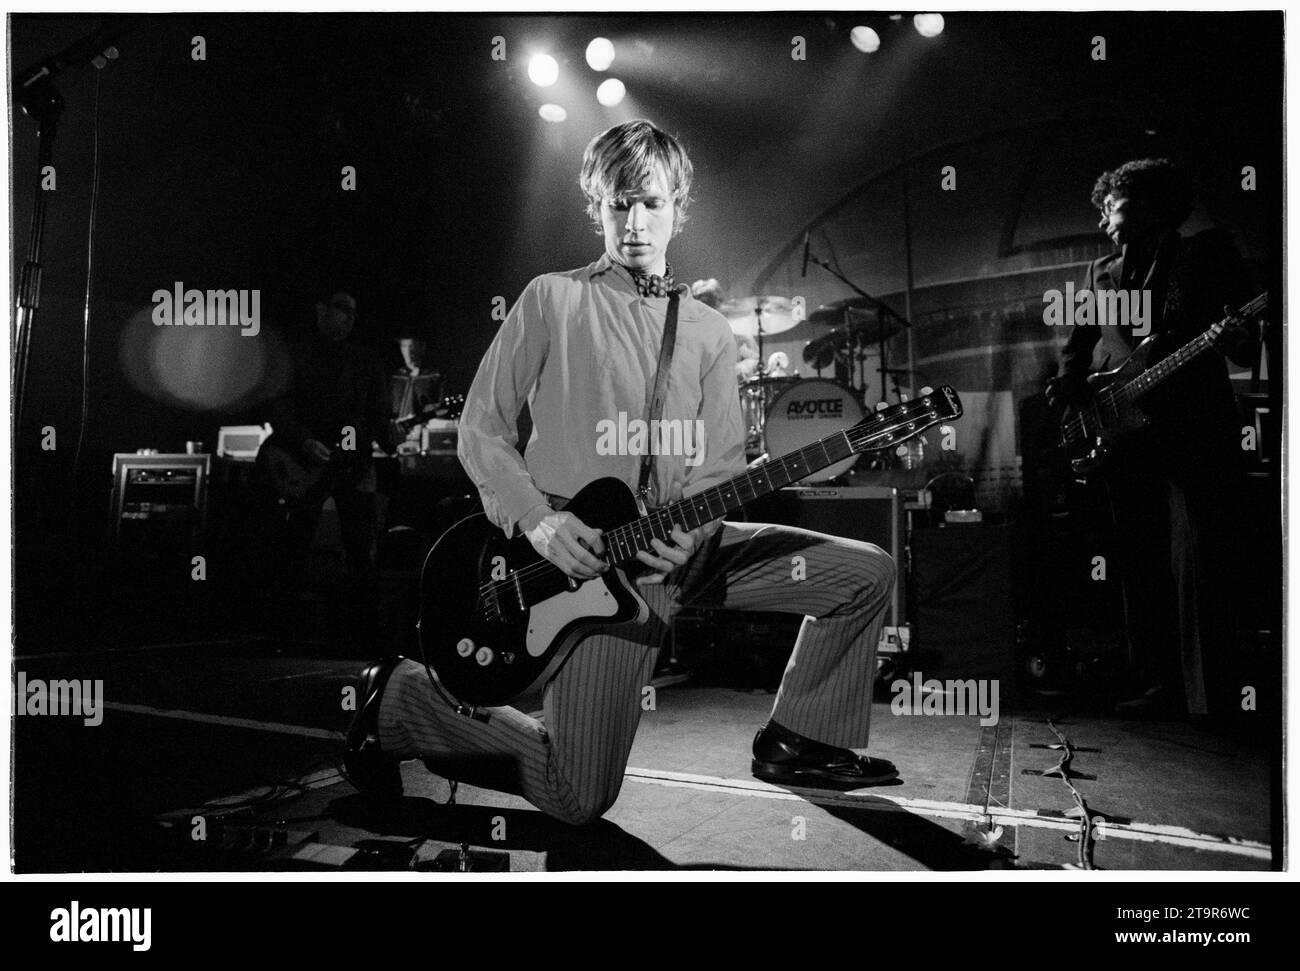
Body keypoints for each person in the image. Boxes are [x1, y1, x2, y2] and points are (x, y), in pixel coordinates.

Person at [345, 120, 898, 825]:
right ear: (596, 207)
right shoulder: (552, 298)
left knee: (866, 574)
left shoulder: (706, 329)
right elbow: (482, 425)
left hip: (683, 545)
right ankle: (400, 699)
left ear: (678, 207)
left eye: (652, 204)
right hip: (585, 568)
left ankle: (802, 738)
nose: (634, 223)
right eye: (618, 205)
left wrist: (696, 531)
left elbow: (722, 460)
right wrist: (538, 522)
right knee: (577, 795)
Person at [1046, 157, 1258, 721]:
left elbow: (1244, 337)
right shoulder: (1102, 272)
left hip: (1194, 424)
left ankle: (1212, 691)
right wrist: (1070, 383)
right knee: (1137, 558)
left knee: (1200, 556)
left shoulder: (1206, 254)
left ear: (1148, 203)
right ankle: (1153, 681)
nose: (1104, 223)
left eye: (1110, 208)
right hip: (1124, 427)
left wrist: (1238, 340)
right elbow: (1082, 340)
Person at [268, 287, 401, 641]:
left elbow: (379, 416)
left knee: (361, 552)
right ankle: (285, 632)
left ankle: (361, 639)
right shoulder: (295, 354)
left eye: (353, 312)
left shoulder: (366, 360)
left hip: (353, 467)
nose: (349, 317)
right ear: (320, 309)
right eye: (342, 308)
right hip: (305, 464)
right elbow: (278, 406)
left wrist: (391, 435)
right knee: (294, 549)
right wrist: (304, 441)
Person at [389, 336, 443, 446]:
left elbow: (440, 409)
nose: (409, 351)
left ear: (421, 348)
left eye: (412, 346)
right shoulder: (396, 378)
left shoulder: (434, 376)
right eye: (404, 346)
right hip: (395, 436)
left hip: (423, 437)